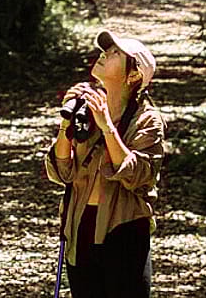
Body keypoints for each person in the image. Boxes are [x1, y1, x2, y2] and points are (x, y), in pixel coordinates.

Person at [45, 31, 166, 298]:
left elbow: (139, 176)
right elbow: (62, 171)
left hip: (124, 228)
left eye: (115, 54)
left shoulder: (147, 120)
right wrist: (66, 121)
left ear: (133, 75)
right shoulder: (86, 107)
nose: (104, 54)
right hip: (81, 226)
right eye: (105, 50)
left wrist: (108, 127)